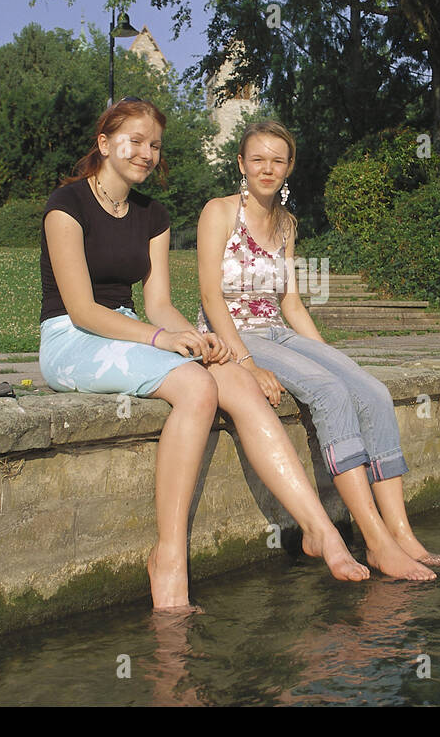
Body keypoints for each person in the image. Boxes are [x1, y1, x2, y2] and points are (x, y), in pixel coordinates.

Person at [39, 99, 370, 613]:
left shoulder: (153, 214)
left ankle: (319, 530)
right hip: (72, 339)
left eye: (154, 145)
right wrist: (158, 339)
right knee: (195, 387)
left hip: (130, 328)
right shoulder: (68, 205)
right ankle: (169, 556)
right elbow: (82, 310)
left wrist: (215, 348)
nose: (146, 153)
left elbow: (160, 305)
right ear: (104, 144)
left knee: (234, 381)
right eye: (134, 141)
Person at [196, 120, 440, 580]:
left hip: (277, 328)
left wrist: (326, 354)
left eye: (278, 160)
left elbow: (289, 300)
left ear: (290, 166)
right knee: (329, 391)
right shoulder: (218, 212)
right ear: (241, 163)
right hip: (235, 331)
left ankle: (402, 533)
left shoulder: (286, 223)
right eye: (258, 159)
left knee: (368, 389)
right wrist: (246, 363)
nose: (267, 168)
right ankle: (374, 542)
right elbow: (211, 297)